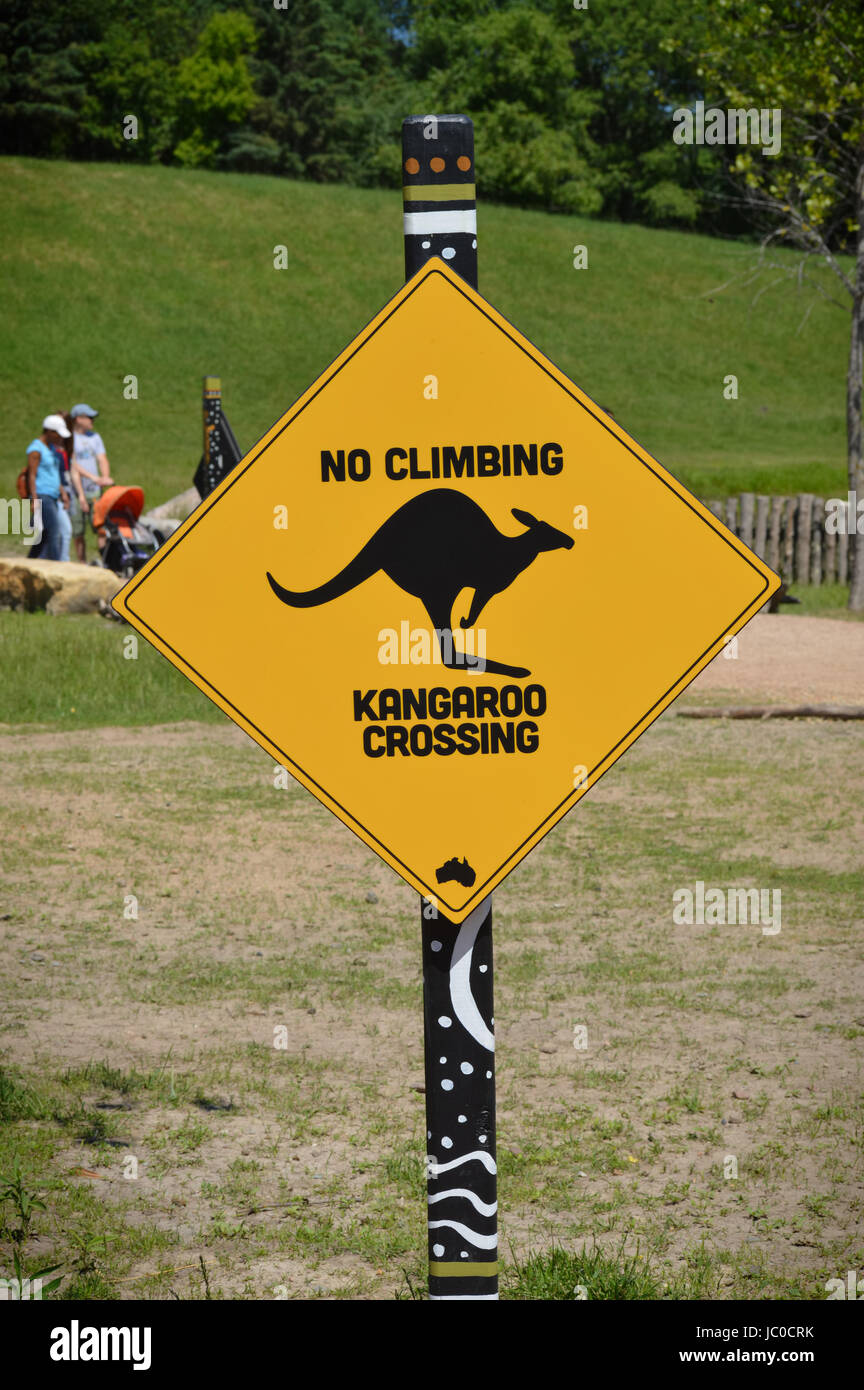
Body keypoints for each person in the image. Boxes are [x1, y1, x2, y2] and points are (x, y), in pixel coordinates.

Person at [69, 403, 113, 562]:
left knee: (101, 527)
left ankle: (106, 560)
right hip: (76, 492)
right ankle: (82, 564)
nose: (92, 420)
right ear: (78, 419)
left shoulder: (95, 437)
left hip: (94, 492)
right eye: (89, 417)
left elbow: (102, 459)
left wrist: (104, 477)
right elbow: (73, 464)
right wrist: (93, 478)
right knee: (78, 531)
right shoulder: (69, 438)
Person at [25, 415, 71, 561]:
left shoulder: (51, 448)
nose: (60, 439)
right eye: (58, 434)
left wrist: (63, 493)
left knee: (43, 535)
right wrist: (34, 499)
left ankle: (29, 561)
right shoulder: (35, 449)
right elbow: (32, 476)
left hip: (53, 494)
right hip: (42, 495)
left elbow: (53, 474)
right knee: (54, 532)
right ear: (49, 431)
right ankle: (57, 565)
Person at [50, 411, 75, 562]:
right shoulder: (48, 448)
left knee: (57, 533)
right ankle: (63, 563)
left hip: (66, 492)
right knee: (65, 531)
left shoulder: (66, 448)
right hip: (54, 494)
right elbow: (52, 474)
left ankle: (54, 561)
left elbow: (69, 470)